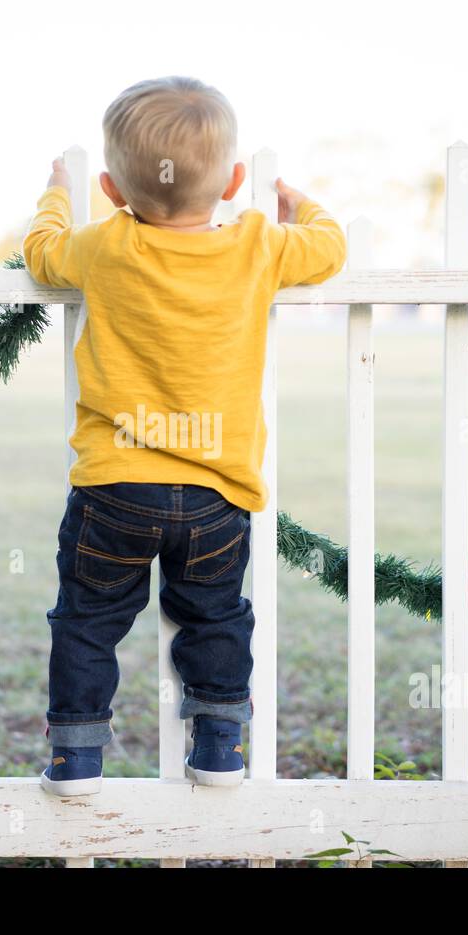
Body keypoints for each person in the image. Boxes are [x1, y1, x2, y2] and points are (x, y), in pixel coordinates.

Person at [23, 75, 346, 796]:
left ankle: (76, 757)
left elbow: (40, 250)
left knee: (87, 618)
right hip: (214, 491)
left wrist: (54, 191)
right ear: (234, 181)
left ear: (109, 188)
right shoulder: (259, 244)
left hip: (115, 485)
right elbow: (330, 245)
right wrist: (298, 201)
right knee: (217, 616)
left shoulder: (105, 246)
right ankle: (221, 746)